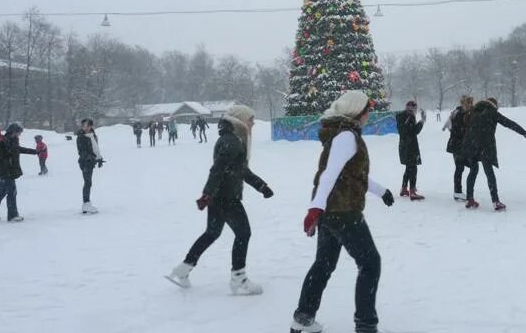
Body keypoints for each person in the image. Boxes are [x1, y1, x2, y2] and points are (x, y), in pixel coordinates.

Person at [291, 91, 394, 333]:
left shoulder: (341, 134)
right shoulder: (347, 136)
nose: (370, 114)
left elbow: (351, 176)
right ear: (358, 111)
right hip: (343, 211)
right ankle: (366, 325)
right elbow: (329, 174)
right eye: (368, 109)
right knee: (370, 263)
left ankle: (304, 317)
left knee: (324, 264)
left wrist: (381, 191)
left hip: (332, 211)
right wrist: (315, 208)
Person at [167, 105, 274, 293]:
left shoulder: (232, 139)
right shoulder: (231, 141)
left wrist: (261, 186)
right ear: (240, 120)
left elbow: (240, 170)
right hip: (226, 197)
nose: (253, 123)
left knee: (212, 233)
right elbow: (218, 169)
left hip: (220, 196)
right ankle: (239, 278)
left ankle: (183, 269)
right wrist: (207, 193)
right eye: (250, 119)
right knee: (243, 233)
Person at [460, 98, 526, 210]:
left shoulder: (473, 111)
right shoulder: (492, 112)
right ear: (494, 105)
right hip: (485, 145)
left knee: (473, 171)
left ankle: (469, 199)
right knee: (489, 173)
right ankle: (495, 201)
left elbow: (465, 122)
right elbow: (508, 123)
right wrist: (523, 131)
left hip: (470, 145)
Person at [0, 123, 37, 222]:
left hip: (10, 170)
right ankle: (12, 215)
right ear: (13, 131)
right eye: (18, 132)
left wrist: (34, 152)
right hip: (6, 171)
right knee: (12, 192)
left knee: (1, 193)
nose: (19, 135)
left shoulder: (13, 141)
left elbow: (18, 149)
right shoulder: (3, 142)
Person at [395, 100, 425, 200]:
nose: (414, 110)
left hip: (403, 145)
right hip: (411, 146)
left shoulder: (400, 116)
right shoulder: (410, 116)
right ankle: (412, 191)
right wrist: (422, 121)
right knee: (413, 168)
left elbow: (403, 131)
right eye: (414, 108)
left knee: (409, 168)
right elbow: (414, 131)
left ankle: (404, 188)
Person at [445, 95, 473, 201]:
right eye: (468, 103)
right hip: (457, 145)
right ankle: (457, 192)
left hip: (458, 145)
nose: (470, 105)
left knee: (461, 168)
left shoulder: (459, 112)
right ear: (463, 104)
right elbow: (456, 130)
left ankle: (458, 192)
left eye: (471, 103)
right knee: (460, 168)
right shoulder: (459, 113)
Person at [77, 119, 105, 214]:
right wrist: (90, 158)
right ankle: (86, 204)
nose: (84, 127)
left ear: (91, 126)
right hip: (85, 162)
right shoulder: (81, 137)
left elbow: (96, 148)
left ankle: (86, 204)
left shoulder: (93, 136)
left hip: (91, 162)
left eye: (86, 126)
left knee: (89, 182)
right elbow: (81, 152)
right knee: (87, 182)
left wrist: (99, 158)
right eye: (83, 126)